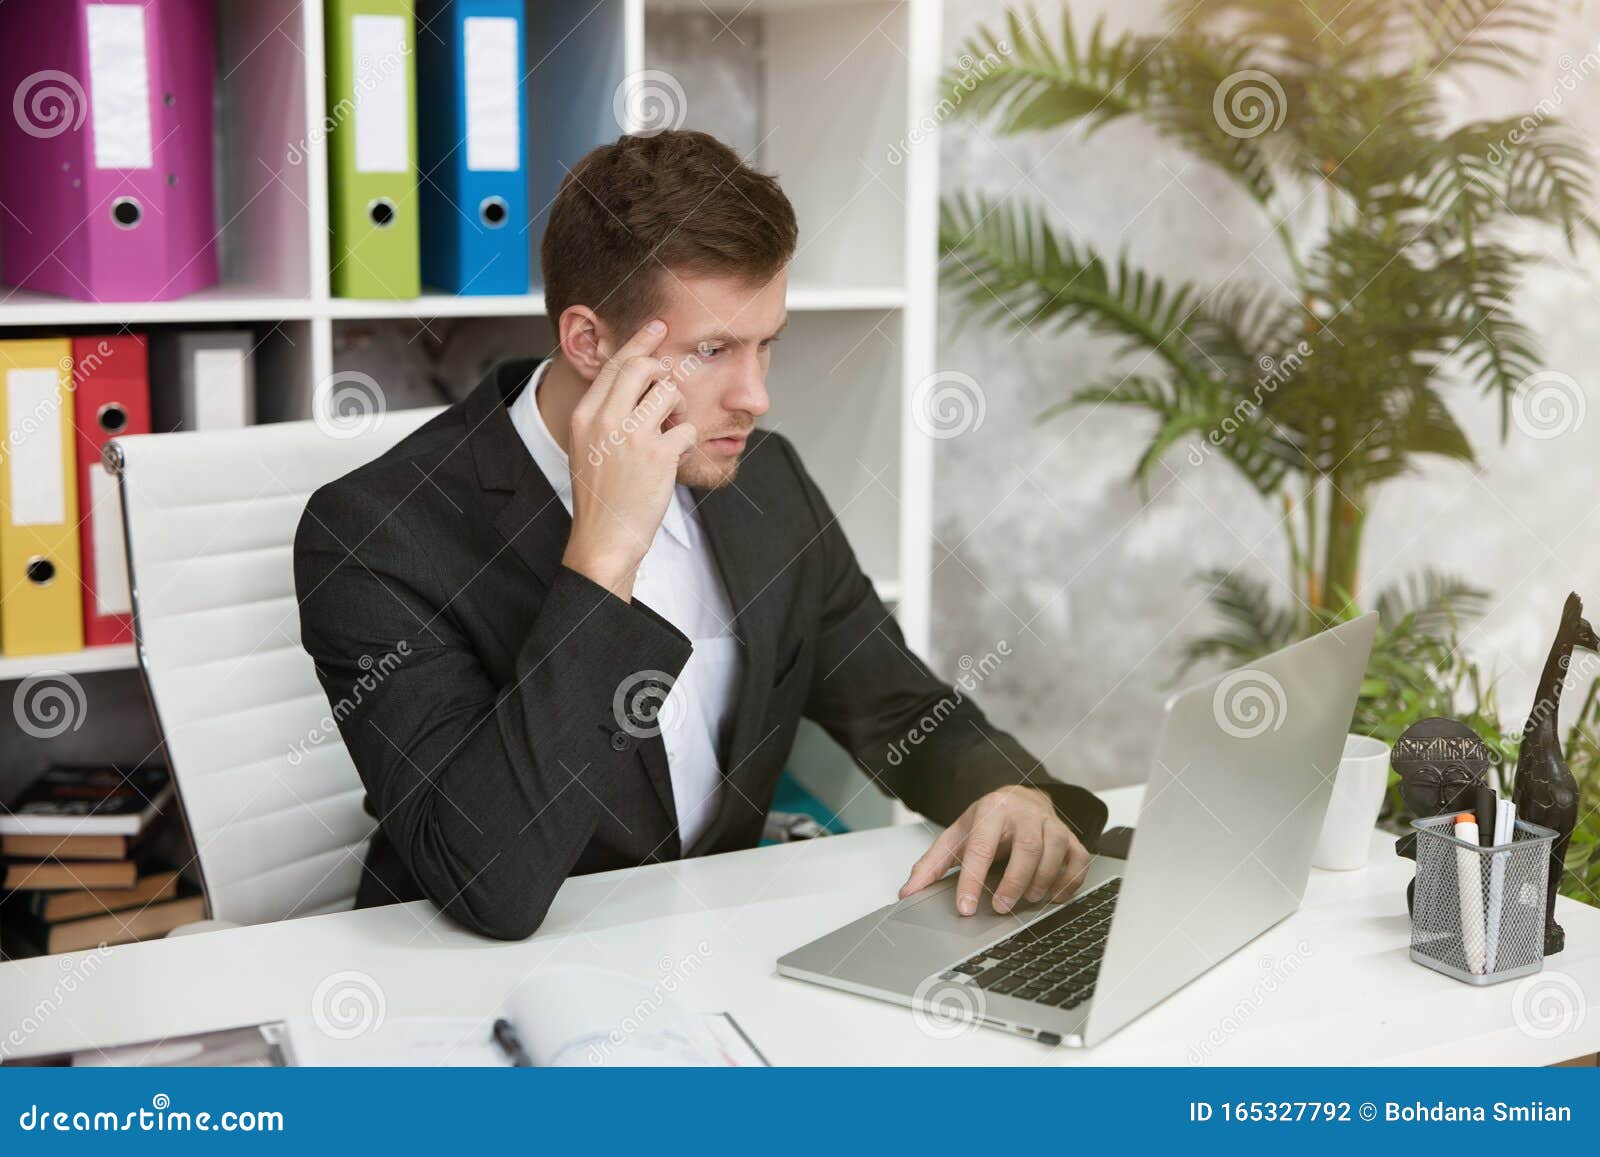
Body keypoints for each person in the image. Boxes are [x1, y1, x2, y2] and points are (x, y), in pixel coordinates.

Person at [294, 130, 1106, 940]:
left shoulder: (765, 481)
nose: (754, 396)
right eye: (712, 350)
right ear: (589, 341)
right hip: (457, 986)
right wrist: (604, 554)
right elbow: (489, 887)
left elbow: (901, 709)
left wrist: (1010, 793)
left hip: (704, 952)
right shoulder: (377, 535)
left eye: (765, 345)